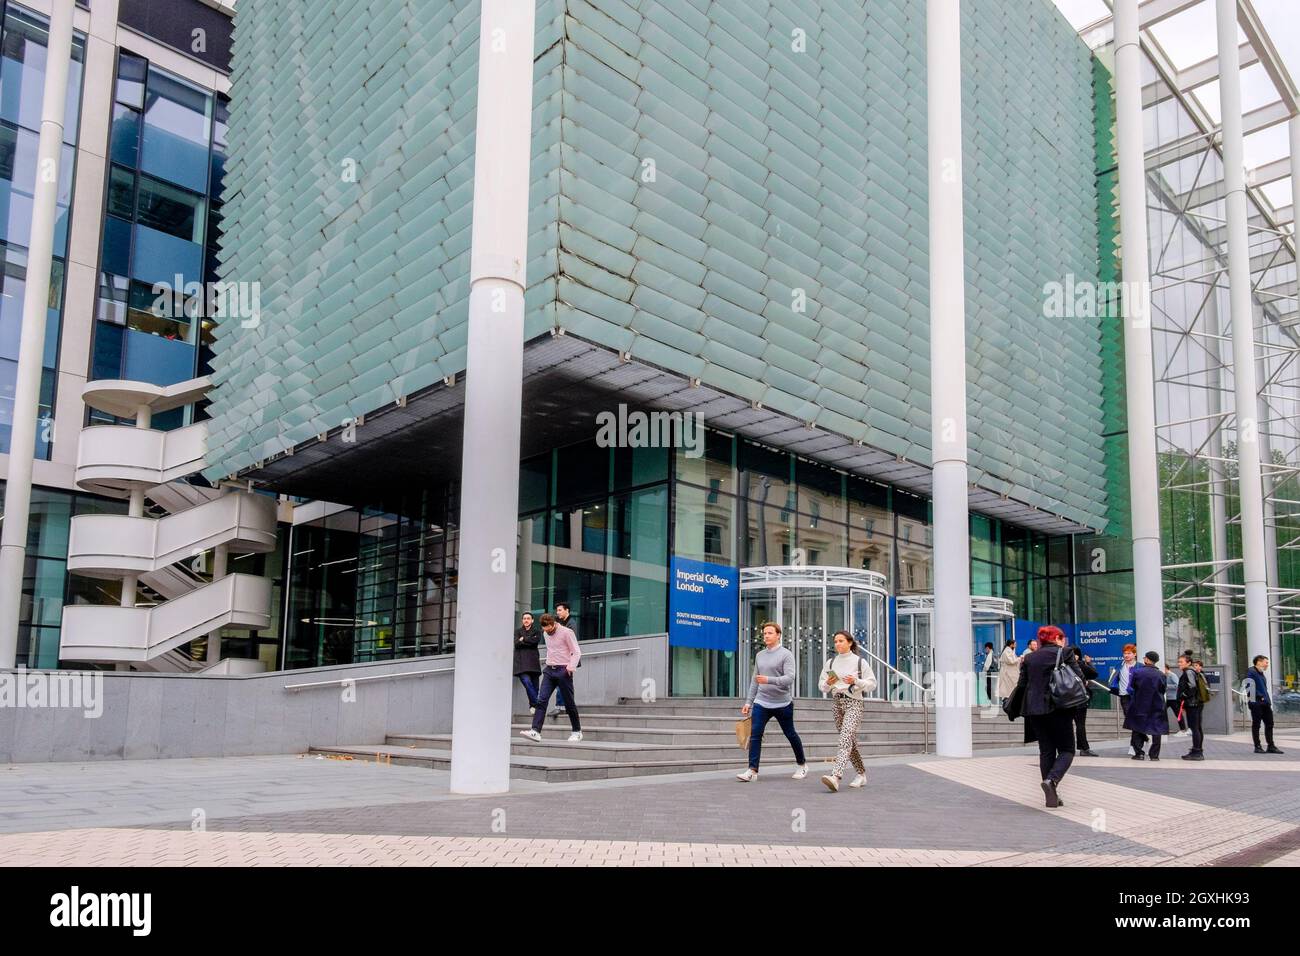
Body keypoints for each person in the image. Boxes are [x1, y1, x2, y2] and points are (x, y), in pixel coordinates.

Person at [1014, 625, 1081, 808]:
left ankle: (1050, 796)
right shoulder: (1065, 653)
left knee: (1047, 751)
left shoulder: (1029, 657)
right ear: (1057, 637)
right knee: (1067, 749)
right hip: (1060, 708)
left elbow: (1022, 685)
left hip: (1035, 709)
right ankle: (1052, 780)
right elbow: (1078, 676)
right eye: (1062, 637)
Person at [736, 621, 808, 782]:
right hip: (762, 702)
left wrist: (768, 680)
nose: (766, 636)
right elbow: (755, 681)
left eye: (770, 633)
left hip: (783, 703)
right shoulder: (760, 655)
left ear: (778, 635)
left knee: (790, 734)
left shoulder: (786, 654)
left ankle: (802, 765)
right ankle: (752, 770)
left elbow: (790, 678)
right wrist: (749, 702)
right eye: (764, 633)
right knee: (755, 734)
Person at [817, 629, 877, 792]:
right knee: (849, 741)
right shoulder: (830, 663)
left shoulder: (859, 662)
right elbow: (822, 687)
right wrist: (828, 683)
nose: (837, 644)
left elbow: (872, 684)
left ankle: (835, 776)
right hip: (837, 703)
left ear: (849, 642)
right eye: (835, 641)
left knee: (844, 739)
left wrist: (856, 681)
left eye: (841, 641)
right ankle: (861, 774)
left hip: (854, 703)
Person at [519, 613, 583, 742]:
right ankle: (535, 731)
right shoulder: (545, 633)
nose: (547, 631)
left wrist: (570, 667)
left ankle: (577, 731)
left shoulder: (567, 632)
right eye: (544, 629)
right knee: (541, 700)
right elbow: (551, 650)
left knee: (569, 702)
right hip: (549, 670)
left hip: (563, 670)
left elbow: (576, 651)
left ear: (553, 624)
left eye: (549, 628)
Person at [1124, 651, 1167, 760]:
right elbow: (1163, 689)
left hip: (1139, 703)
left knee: (1137, 727)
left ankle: (1139, 753)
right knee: (1157, 729)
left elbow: (1131, 687)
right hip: (1157, 704)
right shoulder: (1161, 674)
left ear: (1147, 660)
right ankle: (1154, 755)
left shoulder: (1138, 672)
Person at [1246, 655, 1284, 755]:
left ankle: (1270, 746)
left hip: (1265, 703)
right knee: (1256, 725)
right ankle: (1257, 746)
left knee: (1269, 724)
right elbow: (1249, 687)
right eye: (1266, 662)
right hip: (1256, 703)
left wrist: (1266, 699)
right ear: (1259, 662)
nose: (1267, 664)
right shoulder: (1251, 672)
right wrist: (1260, 697)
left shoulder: (1261, 673)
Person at [1068, 641, 1100, 757]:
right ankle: (1084, 748)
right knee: (1080, 724)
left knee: (1066, 724)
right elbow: (1094, 674)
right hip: (1079, 699)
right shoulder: (1079, 665)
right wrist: (1088, 663)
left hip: (1064, 699)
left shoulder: (1062, 666)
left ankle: (1065, 749)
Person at [1109, 643, 1139, 754]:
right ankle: (1142, 738)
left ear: (1134, 654)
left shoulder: (1139, 666)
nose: (1126, 655)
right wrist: (1113, 688)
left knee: (1136, 721)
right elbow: (1112, 679)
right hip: (1124, 696)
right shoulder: (1119, 666)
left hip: (1136, 697)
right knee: (1131, 720)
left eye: (1129, 653)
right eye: (1125, 653)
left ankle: (1134, 745)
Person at [1177, 653, 1205, 760]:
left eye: (1181, 662)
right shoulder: (1193, 672)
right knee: (1197, 727)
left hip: (1192, 704)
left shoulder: (1188, 672)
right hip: (1197, 703)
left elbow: (1192, 687)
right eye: (1178, 661)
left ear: (1188, 663)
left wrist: (1183, 696)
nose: (1179, 664)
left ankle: (1197, 752)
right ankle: (1197, 750)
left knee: (1194, 728)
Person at [513, 611, 542, 710]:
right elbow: (516, 644)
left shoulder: (537, 631)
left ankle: (533, 705)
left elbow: (535, 642)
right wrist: (528, 639)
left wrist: (523, 639)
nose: (526, 620)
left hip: (533, 663)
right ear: (522, 620)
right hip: (521, 664)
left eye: (528, 618)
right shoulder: (517, 631)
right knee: (527, 682)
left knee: (535, 688)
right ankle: (537, 703)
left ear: (532, 620)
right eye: (524, 618)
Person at [996, 638, 1021, 706]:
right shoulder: (1007, 651)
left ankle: (1009, 702)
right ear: (1011, 644)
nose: (1016, 645)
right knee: (1008, 688)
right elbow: (1011, 661)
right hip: (1007, 673)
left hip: (1009, 672)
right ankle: (1007, 702)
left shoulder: (1009, 651)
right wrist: (1020, 658)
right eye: (1015, 644)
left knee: (1009, 688)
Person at [1164, 664, 1186, 735]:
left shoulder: (1172, 675)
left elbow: (1177, 685)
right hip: (1166, 698)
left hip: (1174, 698)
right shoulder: (1164, 676)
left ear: (1166, 668)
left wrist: (1166, 686)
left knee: (1178, 714)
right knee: (1162, 713)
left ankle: (1182, 730)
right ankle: (1165, 729)